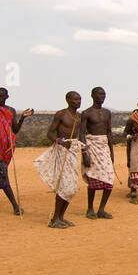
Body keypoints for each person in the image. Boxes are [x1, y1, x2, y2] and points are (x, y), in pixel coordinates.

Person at [0, 88, 33, 216]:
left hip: (6, 147)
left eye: (1, 96)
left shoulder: (10, 111)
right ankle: (15, 206)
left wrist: (22, 118)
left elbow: (14, 130)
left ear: (6, 97)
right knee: (2, 174)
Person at [37, 91, 85, 227]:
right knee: (64, 185)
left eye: (80, 99)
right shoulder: (61, 114)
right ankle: (54, 219)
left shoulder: (79, 116)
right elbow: (50, 133)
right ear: (68, 100)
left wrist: (84, 149)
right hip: (62, 150)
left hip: (73, 150)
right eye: (75, 99)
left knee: (72, 187)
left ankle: (61, 217)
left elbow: (80, 135)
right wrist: (61, 142)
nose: (78, 101)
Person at [81, 87, 116, 218]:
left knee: (109, 179)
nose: (102, 96)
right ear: (92, 96)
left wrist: (112, 152)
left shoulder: (107, 113)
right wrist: (84, 153)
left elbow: (109, 132)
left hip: (104, 147)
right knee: (93, 179)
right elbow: (81, 134)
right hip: (92, 147)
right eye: (99, 94)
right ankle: (90, 209)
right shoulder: (86, 113)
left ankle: (101, 209)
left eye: (104, 94)